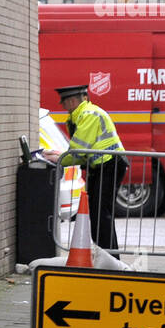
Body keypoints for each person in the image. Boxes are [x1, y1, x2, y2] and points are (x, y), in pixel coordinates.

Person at [41, 84, 128, 253]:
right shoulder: (78, 116)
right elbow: (78, 152)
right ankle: (105, 254)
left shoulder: (89, 115)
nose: (62, 105)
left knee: (101, 215)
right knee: (97, 214)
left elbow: (78, 149)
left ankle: (110, 257)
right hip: (101, 167)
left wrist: (58, 158)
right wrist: (57, 155)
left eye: (63, 102)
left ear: (72, 101)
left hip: (110, 165)